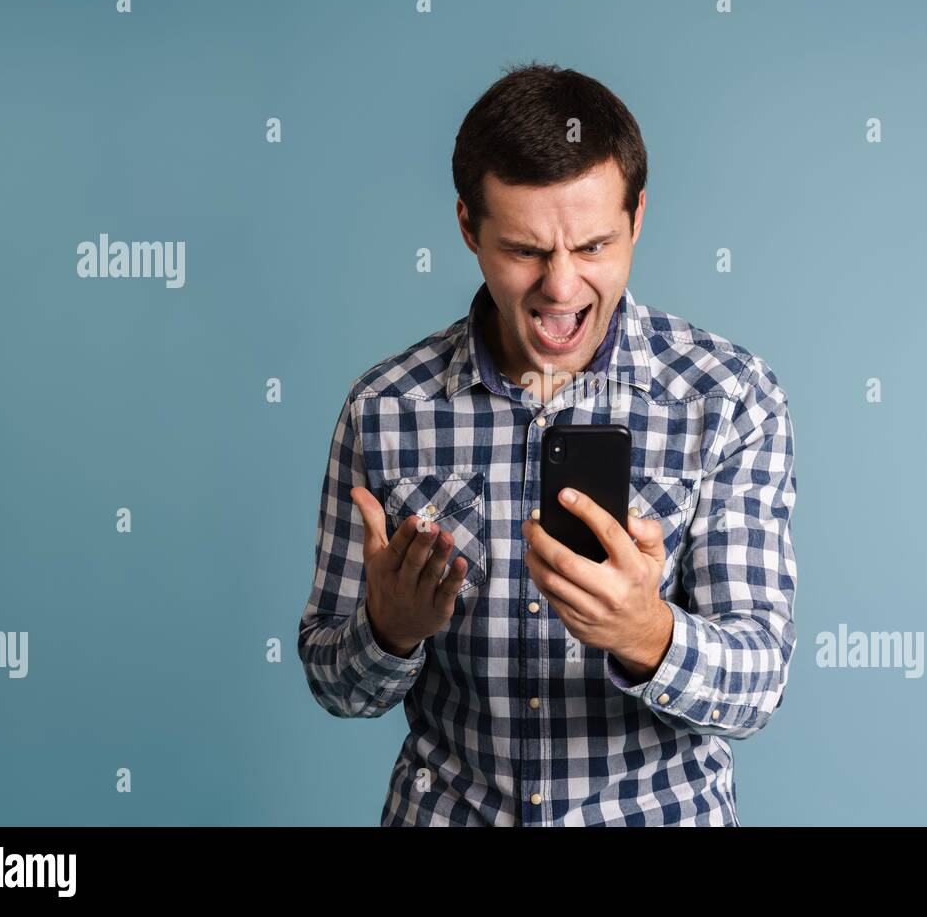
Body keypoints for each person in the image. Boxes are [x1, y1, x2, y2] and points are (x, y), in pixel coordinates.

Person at [297, 62, 798, 826]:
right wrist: (387, 629)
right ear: (469, 227)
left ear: (637, 219)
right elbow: (337, 685)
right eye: (526, 249)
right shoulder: (384, 409)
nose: (561, 288)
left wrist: (647, 633)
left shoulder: (728, 399)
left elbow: (757, 686)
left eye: (593, 246)